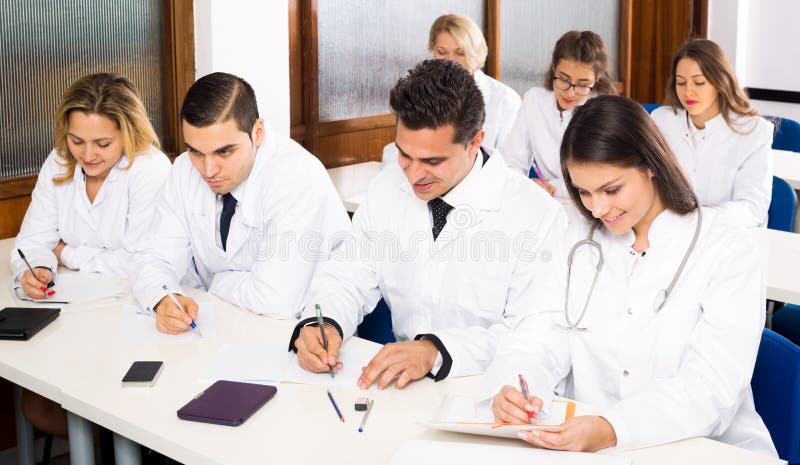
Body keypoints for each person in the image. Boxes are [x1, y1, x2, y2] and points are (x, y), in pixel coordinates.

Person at [483, 95, 776, 456]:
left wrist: (613, 429)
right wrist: (515, 389)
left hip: (704, 450)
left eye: (611, 190)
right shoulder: (576, 241)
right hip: (587, 446)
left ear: (651, 164)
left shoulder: (728, 246)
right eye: (583, 192)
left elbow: (711, 387)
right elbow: (535, 337)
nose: (597, 208)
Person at [290, 59, 566, 390]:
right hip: (404, 390)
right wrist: (324, 322)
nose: (413, 174)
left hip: (491, 392)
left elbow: (533, 335)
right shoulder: (386, 187)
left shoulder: (536, 215)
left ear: (475, 141)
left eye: (432, 161)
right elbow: (347, 275)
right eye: (404, 154)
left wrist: (436, 351)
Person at [10, 72, 171, 436]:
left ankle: (135, 446)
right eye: (77, 140)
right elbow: (31, 241)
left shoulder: (150, 169)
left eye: (102, 143)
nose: (87, 154)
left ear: (128, 133)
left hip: (140, 319)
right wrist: (37, 269)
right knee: (37, 405)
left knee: (112, 403)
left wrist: (66, 254)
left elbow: (140, 262)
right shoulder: (59, 161)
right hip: (79, 318)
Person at [130, 72, 351, 333]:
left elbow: (276, 300)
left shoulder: (296, 175)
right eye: (195, 151)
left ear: (258, 133)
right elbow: (152, 258)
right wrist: (163, 298)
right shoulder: (183, 170)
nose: (208, 170)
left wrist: (215, 282)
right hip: (222, 326)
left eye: (224, 151)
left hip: (301, 334)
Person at [652, 39, 773, 228]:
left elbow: (752, 209)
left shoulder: (755, 132)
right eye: (681, 82)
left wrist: (700, 216)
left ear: (719, 82)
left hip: (727, 233)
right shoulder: (662, 120)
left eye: (699, 82)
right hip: (671, 230)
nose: (688, 92)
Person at [382, 14, 520, 167]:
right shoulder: (420, 92)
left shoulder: (505, 100)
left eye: (460, 53)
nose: (451, 61)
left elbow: (510, 165)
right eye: (442, 52)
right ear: (433, 50)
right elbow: (402, 149)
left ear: (475, 52)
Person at [501, 31, 616, 198]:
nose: (570, 93)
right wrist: (528, 185)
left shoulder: (603, 110)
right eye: (564, 79)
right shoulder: (534, 100)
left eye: (582, 84)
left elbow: (601, 176)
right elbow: (511, 162)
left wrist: (553, 188)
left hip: (592, 203)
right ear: (554, 68)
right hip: (543, 199)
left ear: (597, 79)